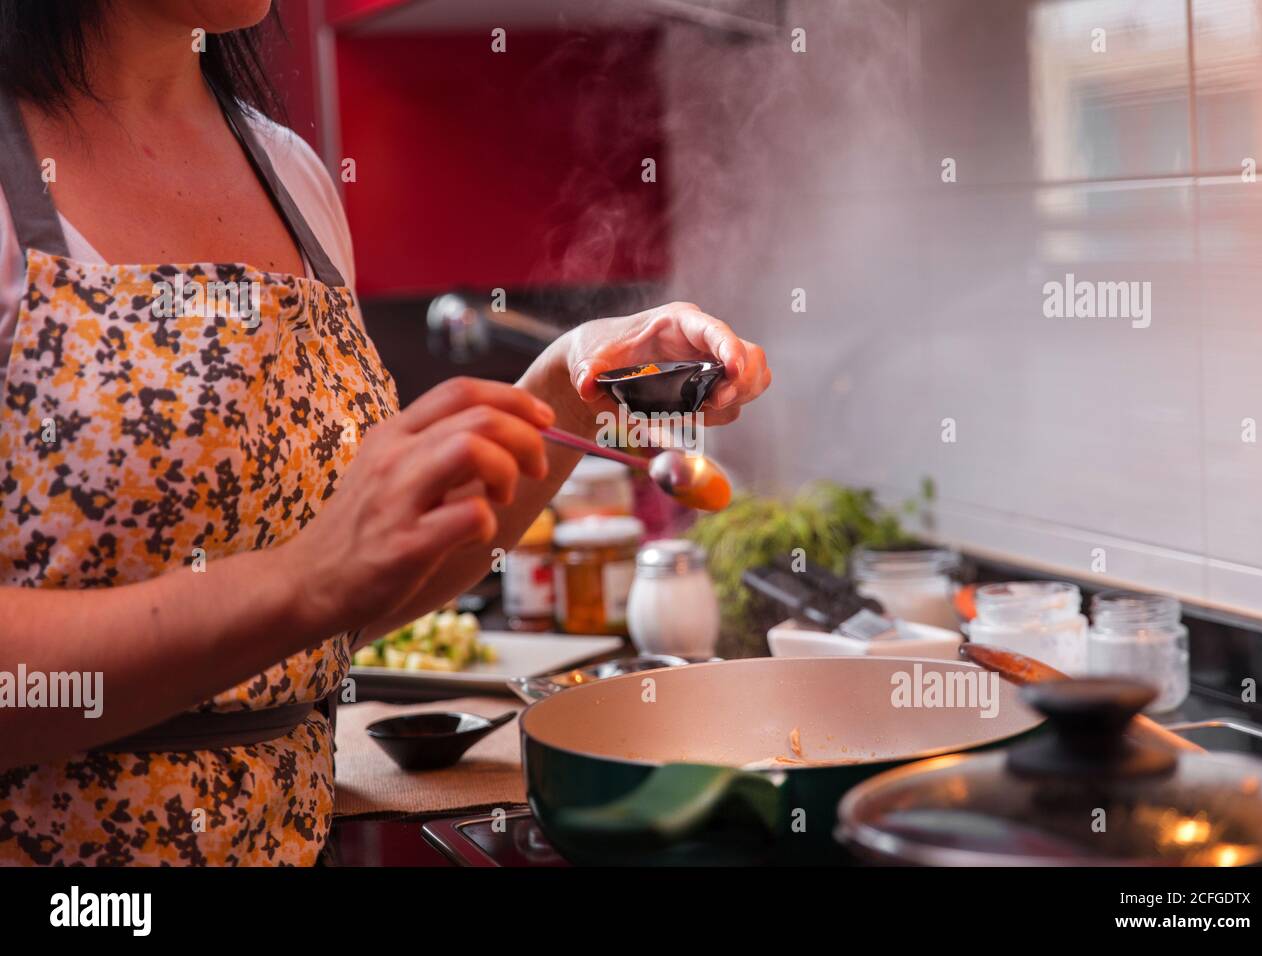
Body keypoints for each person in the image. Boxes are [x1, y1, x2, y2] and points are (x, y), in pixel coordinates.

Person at [0, 0, 770, 865]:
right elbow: (315, 582)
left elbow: (346, 598)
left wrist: (569, 389)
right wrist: (305, 577)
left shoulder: (290, 179)